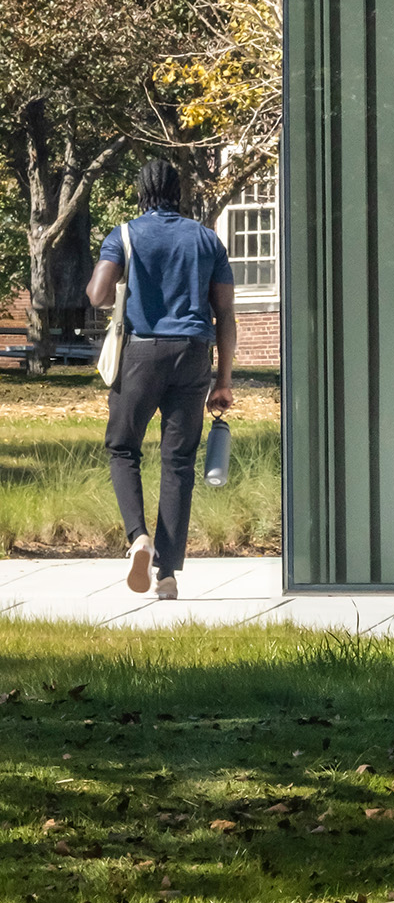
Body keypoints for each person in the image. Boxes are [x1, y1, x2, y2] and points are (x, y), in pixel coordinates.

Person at [87, 159, 235, 601]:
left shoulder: (125, 234)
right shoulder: (207, 239)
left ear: (141, 192)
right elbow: (225, 313)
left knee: (122, 447)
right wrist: (223, 380)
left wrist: (119, 273)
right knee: (178, 461)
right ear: (179, 192)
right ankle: (167, 573)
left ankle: (138, 538)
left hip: (141, 352)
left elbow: (96, 295)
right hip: (193, 354)